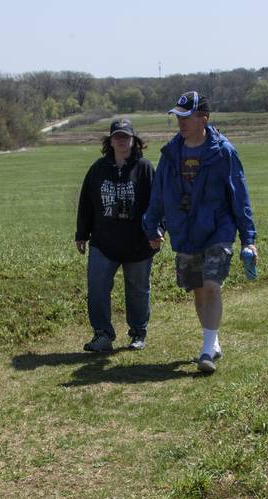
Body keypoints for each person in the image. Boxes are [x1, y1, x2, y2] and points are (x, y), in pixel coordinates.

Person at [142, 91, 256, 374]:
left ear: (204, 118)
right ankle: (212, 341)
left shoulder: (224, 153)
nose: (180, 122)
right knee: (198, 290)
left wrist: (249, 240)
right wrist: (152, 226)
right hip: (185, 231)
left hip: (218, 229)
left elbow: (239, 196)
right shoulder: (170, 154)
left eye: (187, 116)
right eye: (178, 117)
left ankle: (206, 351)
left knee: (211, 285)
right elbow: (158, 195)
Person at [76, 119, 157, 351]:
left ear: (134, 140)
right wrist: (81, 234)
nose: (121, 140)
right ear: (110, 141)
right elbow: (86, 203)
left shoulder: (144, 168)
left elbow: (157, 203)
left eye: (126, 136)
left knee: (138, 290)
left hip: (138, 243)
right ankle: (102, 335)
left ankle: (138, 333)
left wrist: (157, 230)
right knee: (97, 288)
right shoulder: (98, 169)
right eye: (117, 136)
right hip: (103, 242)